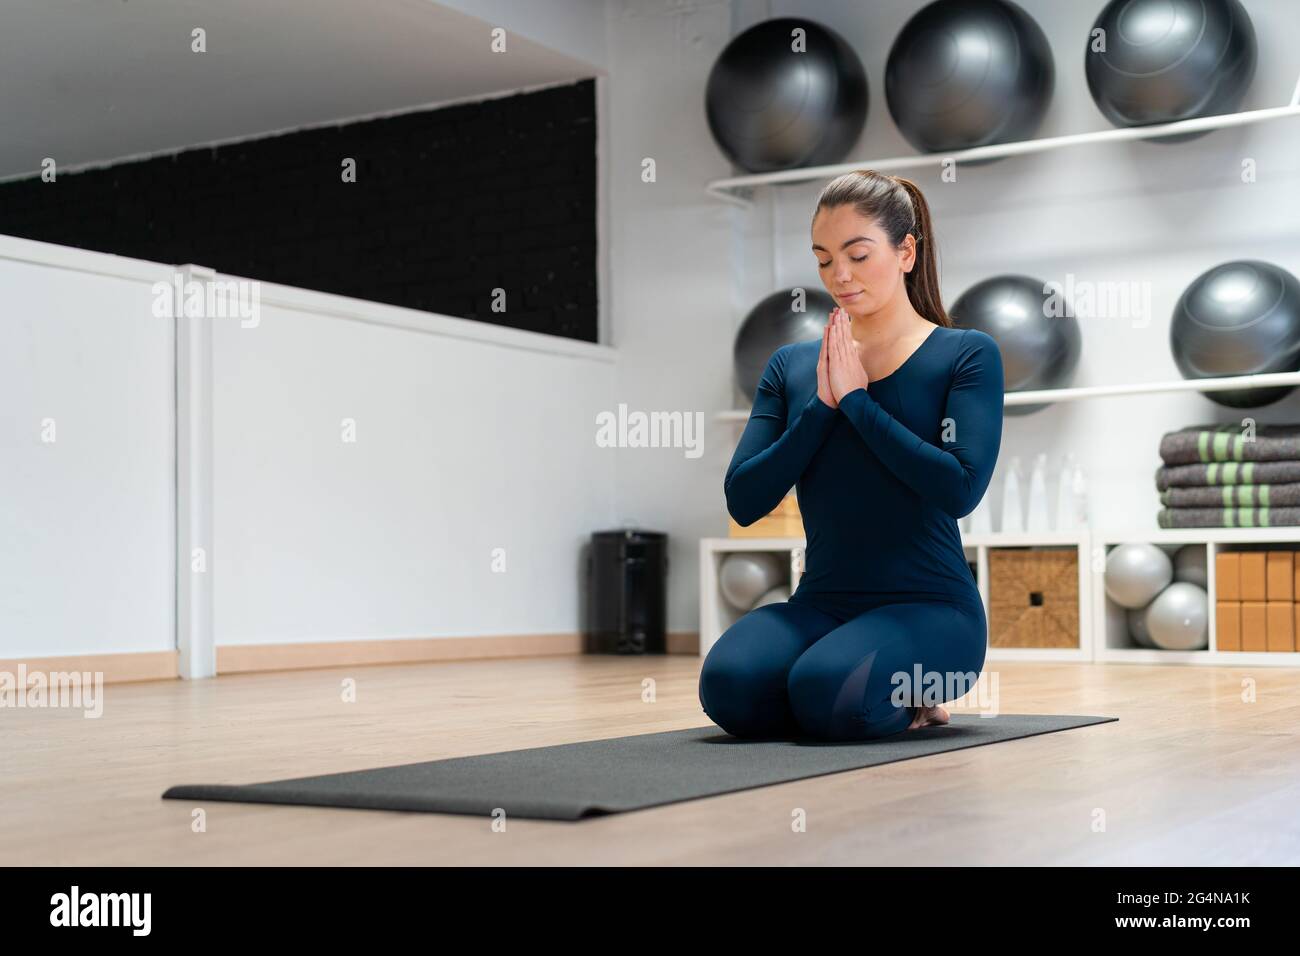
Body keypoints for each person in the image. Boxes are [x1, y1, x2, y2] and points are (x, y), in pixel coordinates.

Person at [700, 169, 1005, 740]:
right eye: (823, 258)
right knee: (729, 686)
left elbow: (959, 489)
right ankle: (860, 692)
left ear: (906, 251)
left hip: (936, 612)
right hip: (823, 604)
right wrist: (821, 406)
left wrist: (859, 402)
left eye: (858, 255)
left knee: (825, 690)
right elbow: (744, 499)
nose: (839, 275)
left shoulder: (966, 355)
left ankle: (915, 694)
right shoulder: (792, 367)